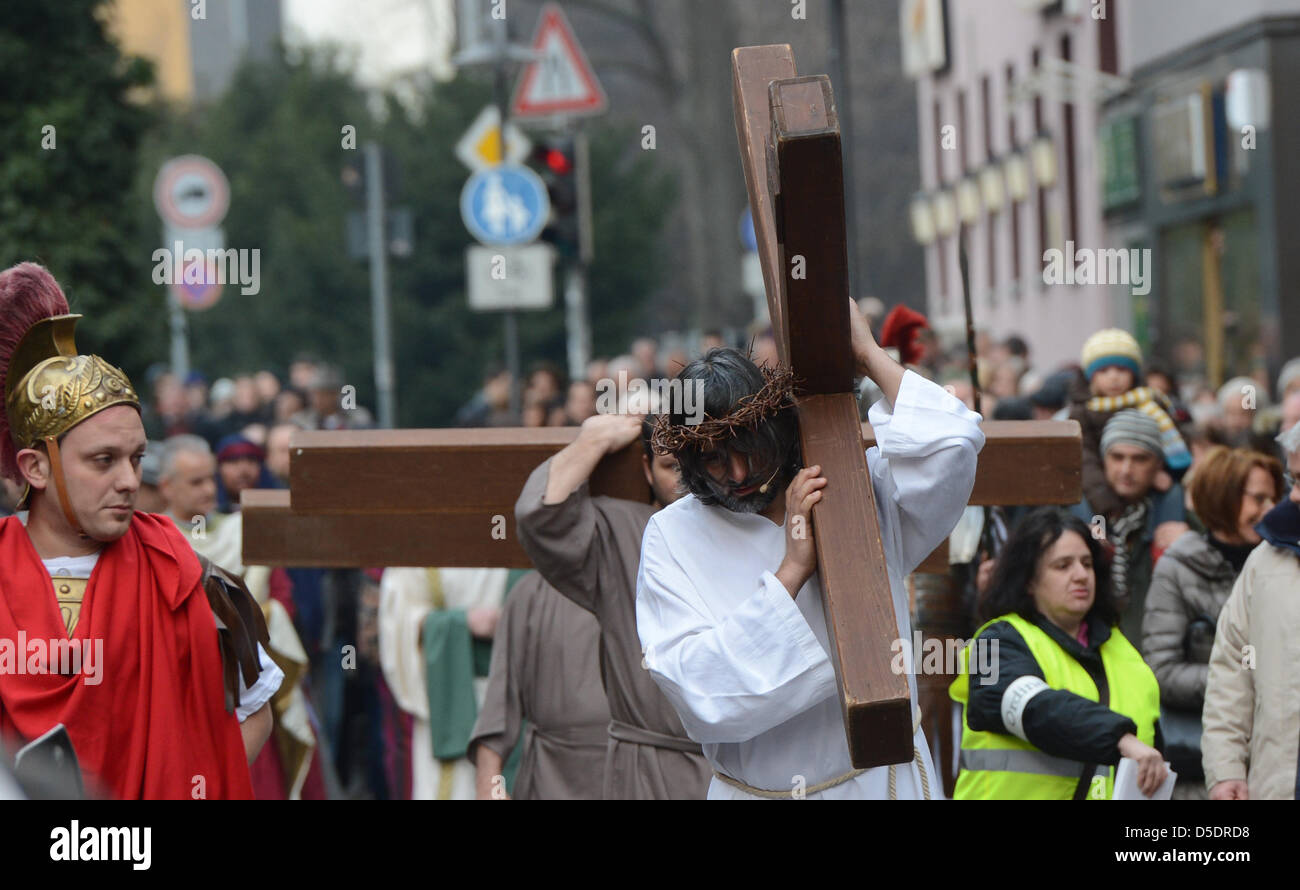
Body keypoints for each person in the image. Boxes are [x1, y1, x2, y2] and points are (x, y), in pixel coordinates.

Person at [637, 300, 983, 799]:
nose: (736, 476)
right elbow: (700, 692)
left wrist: (867, 355)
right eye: (713, 460)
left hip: (882, 783)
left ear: (776, 431)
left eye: (747, 451)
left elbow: (951, 446)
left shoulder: (853, 487)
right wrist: (792, 572)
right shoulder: (671, 536)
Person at [0, 262, 275, 798]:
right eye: (104, 460)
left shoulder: (184, 570)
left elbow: (257, 708)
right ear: (35, 467)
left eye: (137, 457)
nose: (130, 481)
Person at [516, 415, 710, 799]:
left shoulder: (748, 524)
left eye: (698, 463)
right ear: (646, 470)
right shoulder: (621, 530)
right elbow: (541, 516)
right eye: (670, 466)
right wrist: (593, 441)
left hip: (737, 765)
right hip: (650, 772)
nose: (685, 481)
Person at [950, 508, 1166, 799]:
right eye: (1063, 566)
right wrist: (1119, 738)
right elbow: (1032, 706)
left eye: (1087, 564)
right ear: (1028, 580)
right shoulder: (997, 641)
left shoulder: (1124, 652)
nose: (1080, 575)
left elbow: (1154, 756)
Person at [157, 435, 323, 799]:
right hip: (193, 689)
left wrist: (242, 624)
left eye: (209, 479)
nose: (207, 489)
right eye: (195, 482)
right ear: (167, 487)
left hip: (257, 678)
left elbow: (283, 598)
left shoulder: (246, 528)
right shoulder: (156, 543)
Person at [1141, 446, 1282, 798]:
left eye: (1274, 499)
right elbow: (1162, 670)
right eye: (1258, 498)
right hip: (1202, 767)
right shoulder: (1178, 568)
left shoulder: (1281, 566)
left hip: (1274, 761)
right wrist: (1242, 679)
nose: (1270, 509)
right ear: (1223, 498)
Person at [1202, 421, 1300, 800]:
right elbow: (1233, 667)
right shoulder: (1266, 561)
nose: (1292, 496)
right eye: (1294, 478)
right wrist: (1226, 769)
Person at [468, 571, 610, 800]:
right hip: (549, 777)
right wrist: (490, 788)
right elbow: (498, 711)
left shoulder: (652, 585)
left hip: (637, 772)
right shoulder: (530, 592)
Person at [377, 566, 511, 799]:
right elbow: (398, 616)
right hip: (447, 693)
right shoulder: (423, 540)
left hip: (517, 697)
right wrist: (461, 623)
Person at [1070, 410, 1188, 645]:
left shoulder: (1178, 516)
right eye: (1117, 457)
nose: (1126, 469)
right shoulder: (1073, 515)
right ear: (1103, 459)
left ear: (1158, 464)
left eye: (1140, 459)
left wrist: (1191, 547)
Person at [1069, 329, 1192, 519]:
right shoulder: (1083, 413)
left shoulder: (1151, 402)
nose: (1113, 377)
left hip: (1147, 484)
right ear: (1091, 377)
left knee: (1172, 494)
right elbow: (1085, 459)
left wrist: (1164, 471)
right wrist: (1105, 497)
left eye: (1122, 369)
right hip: (1100, 491)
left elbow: (1176, 440)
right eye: (1104, 371)